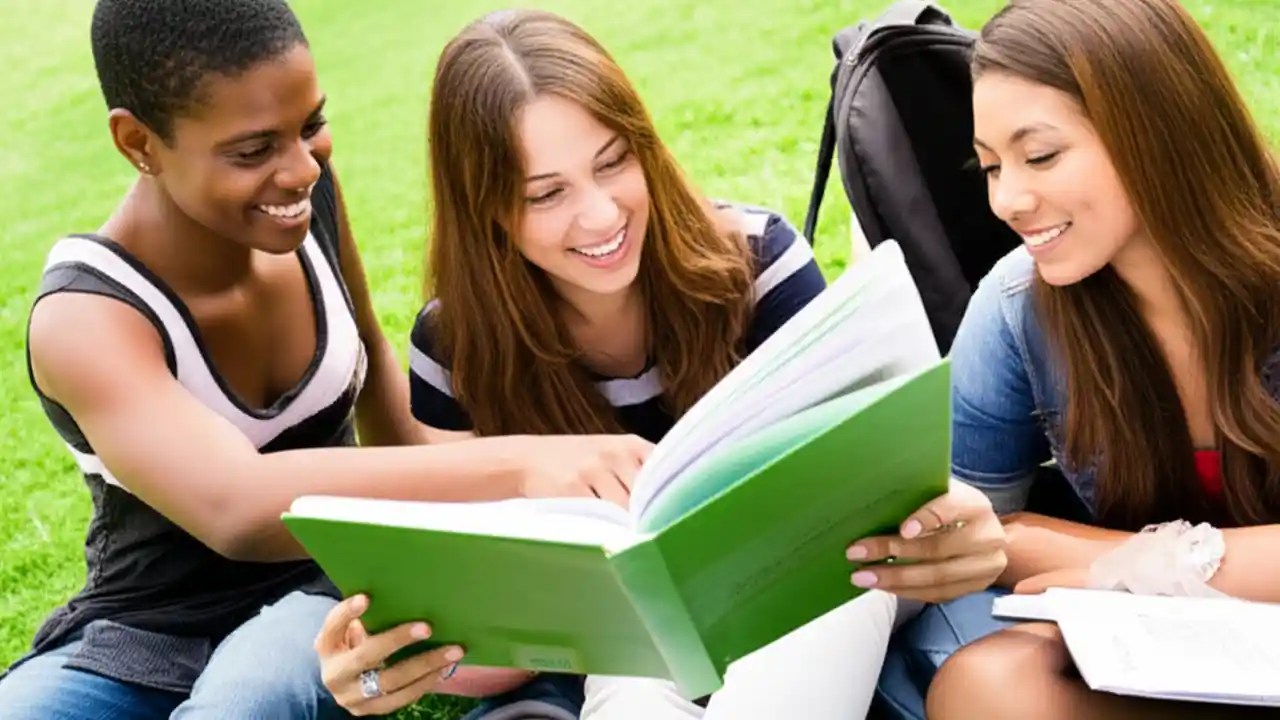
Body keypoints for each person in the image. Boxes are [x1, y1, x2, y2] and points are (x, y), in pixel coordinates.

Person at [314, 9, 1009, 720]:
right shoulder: (457, 345)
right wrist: (385, 658)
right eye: (547, 194)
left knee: (818, 601)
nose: (600, 215)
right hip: (631, 639)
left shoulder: (756, 263)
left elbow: (875, 490)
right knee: (633, 682)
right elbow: (485, 624)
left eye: (613, 161)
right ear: (487, 210)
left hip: (828, 580)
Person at [0, 2, 653, 719]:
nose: (300, 168)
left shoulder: (310, 205)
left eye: (310, 125)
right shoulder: (85, 315)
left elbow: (384, 405)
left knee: (243, 704)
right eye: (253, 151)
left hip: (318, 588)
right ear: (139, 142)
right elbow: (237, 506)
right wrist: (526, 463)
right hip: (141, 626)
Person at [876, 1, 1280, 718]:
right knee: (990, 685)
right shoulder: (1018, 307)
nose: (1008, 199)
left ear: (1159, 131)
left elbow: (1013, 544)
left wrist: (1136, 565)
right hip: (1184, 648)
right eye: (991, 166)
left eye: (1040, 156)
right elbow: (973, 526)